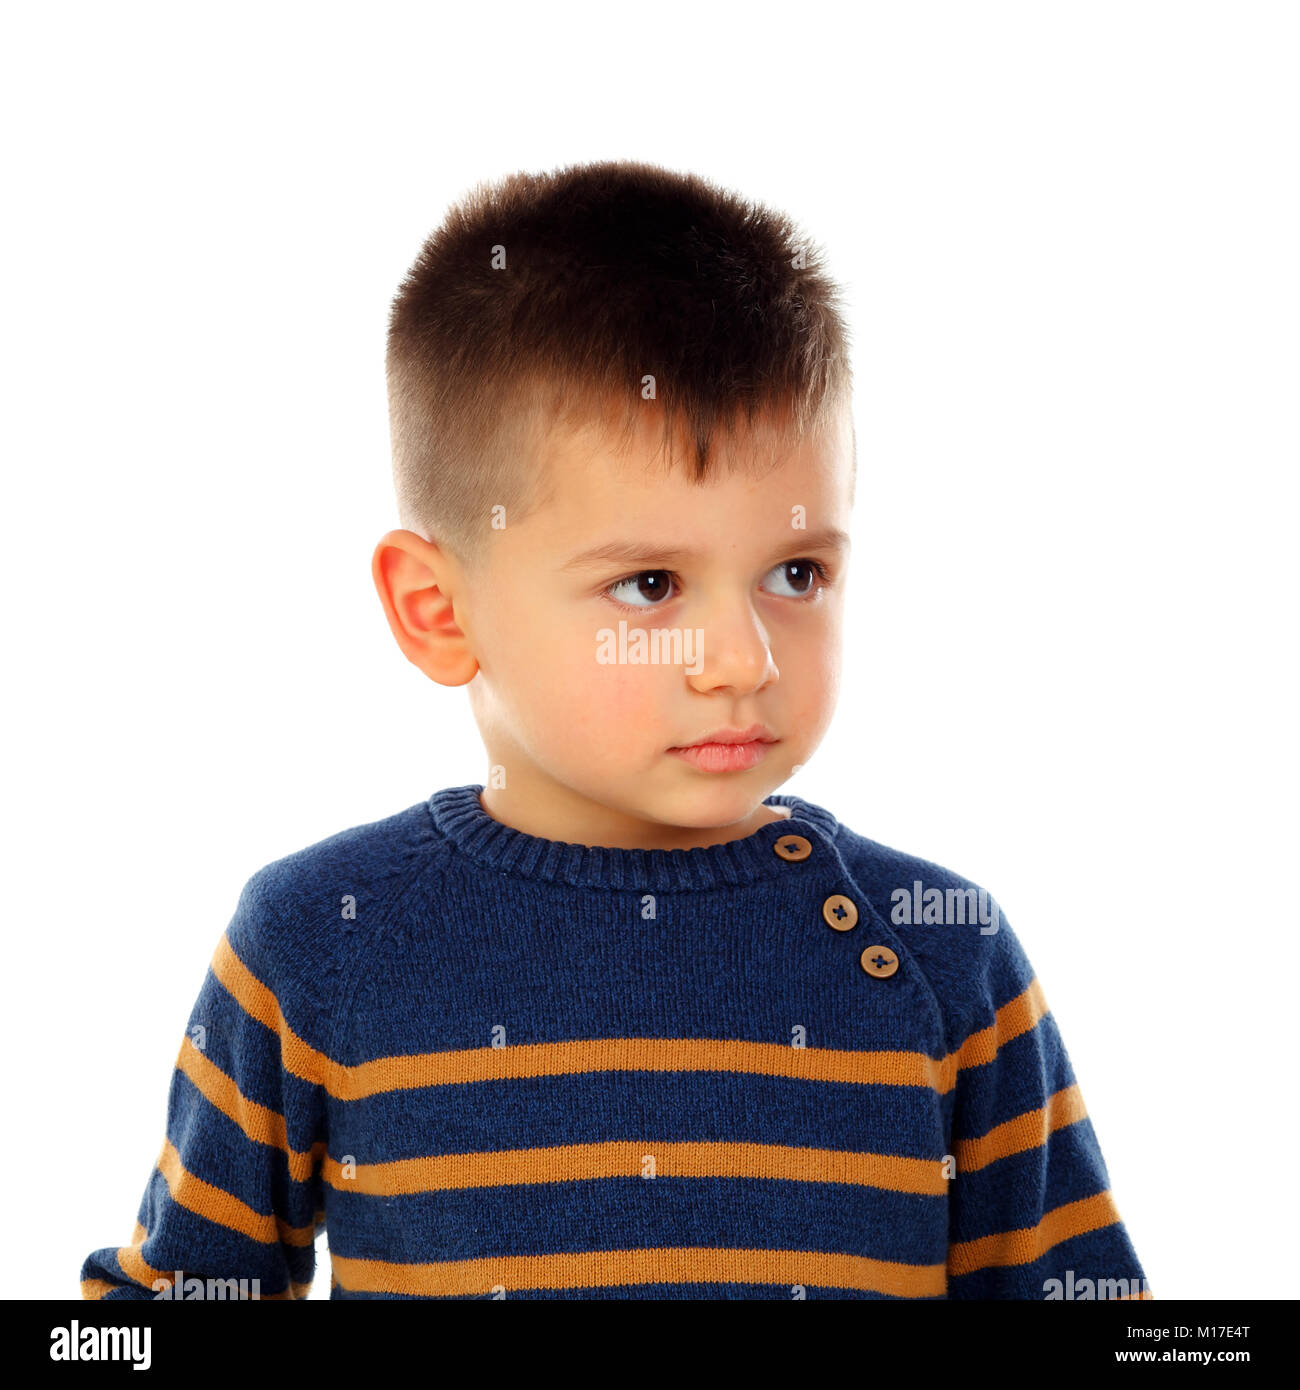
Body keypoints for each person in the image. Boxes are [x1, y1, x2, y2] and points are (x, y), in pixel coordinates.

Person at [81, 160, 1149, 1300]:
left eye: (796, 571)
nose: (743, 659)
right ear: (438, 610)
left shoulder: (944, 956)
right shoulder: (318, 943)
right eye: (648, 584)